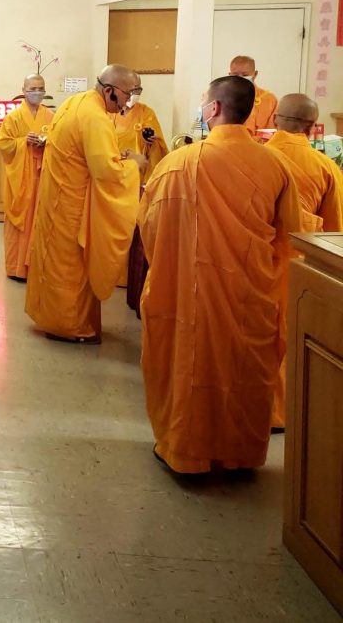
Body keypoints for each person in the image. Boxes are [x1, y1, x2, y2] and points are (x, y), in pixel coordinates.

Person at [139, 76, 301, 474]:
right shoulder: (275, 163)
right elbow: (290, 233)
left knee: (190, 364)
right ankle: (242, 455)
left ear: (212, 109)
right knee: (244, 369)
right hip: (252, 293)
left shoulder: (180, 162)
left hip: (189, 293)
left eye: (202, 102)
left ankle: (184, 452)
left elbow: (149, 226)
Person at [25, 65, 145, 344]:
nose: (129, 102)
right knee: (72, 266)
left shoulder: (76, 102)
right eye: (128, 94)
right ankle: (72, 327)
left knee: (52, 261)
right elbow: (107, 171)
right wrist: (134, 165)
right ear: (108, 90)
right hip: (73, 204)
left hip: (57, 196)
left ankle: (51, 317)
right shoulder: (95, 116)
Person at [263, 92, 343, 430]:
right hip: (302, 264)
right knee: (292, 335)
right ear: (312, 128)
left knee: (256, 335)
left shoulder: (258, 157)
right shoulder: (324, 166)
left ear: (275, 119)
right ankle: (285, 411)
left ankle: (253, 406)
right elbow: (334, 229)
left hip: (257, 261)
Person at [115, 74, 169, 309]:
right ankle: (109, 270)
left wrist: (151, 144)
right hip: (111, 177)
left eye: (138, 88)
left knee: (132, 228)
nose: (134, 93)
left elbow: (158, 149)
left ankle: (128, 275)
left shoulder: (146, 113)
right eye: (131, 89)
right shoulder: (106, 113)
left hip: (136, 179)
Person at [0, 76, 54, 282]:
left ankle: (37, 265)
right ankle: (16, 266)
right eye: (33, 88)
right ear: (23, 89)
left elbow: (58, 142)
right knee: (19, 220)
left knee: (40, 219)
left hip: (42, 175)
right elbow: (3, 144)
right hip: (21, 177)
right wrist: (23, 142)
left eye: (41, 88)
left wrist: (46, 143)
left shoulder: (50, 116)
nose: (37, 92)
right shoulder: (13, 117)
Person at [228, 55, 277, 137]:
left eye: (245, 75)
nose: (240, 79)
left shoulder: (269, 99)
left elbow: (272, 131)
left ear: (255, 74)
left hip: (261, 146)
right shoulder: (223, 96)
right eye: (235, 75)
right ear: (230, 75)